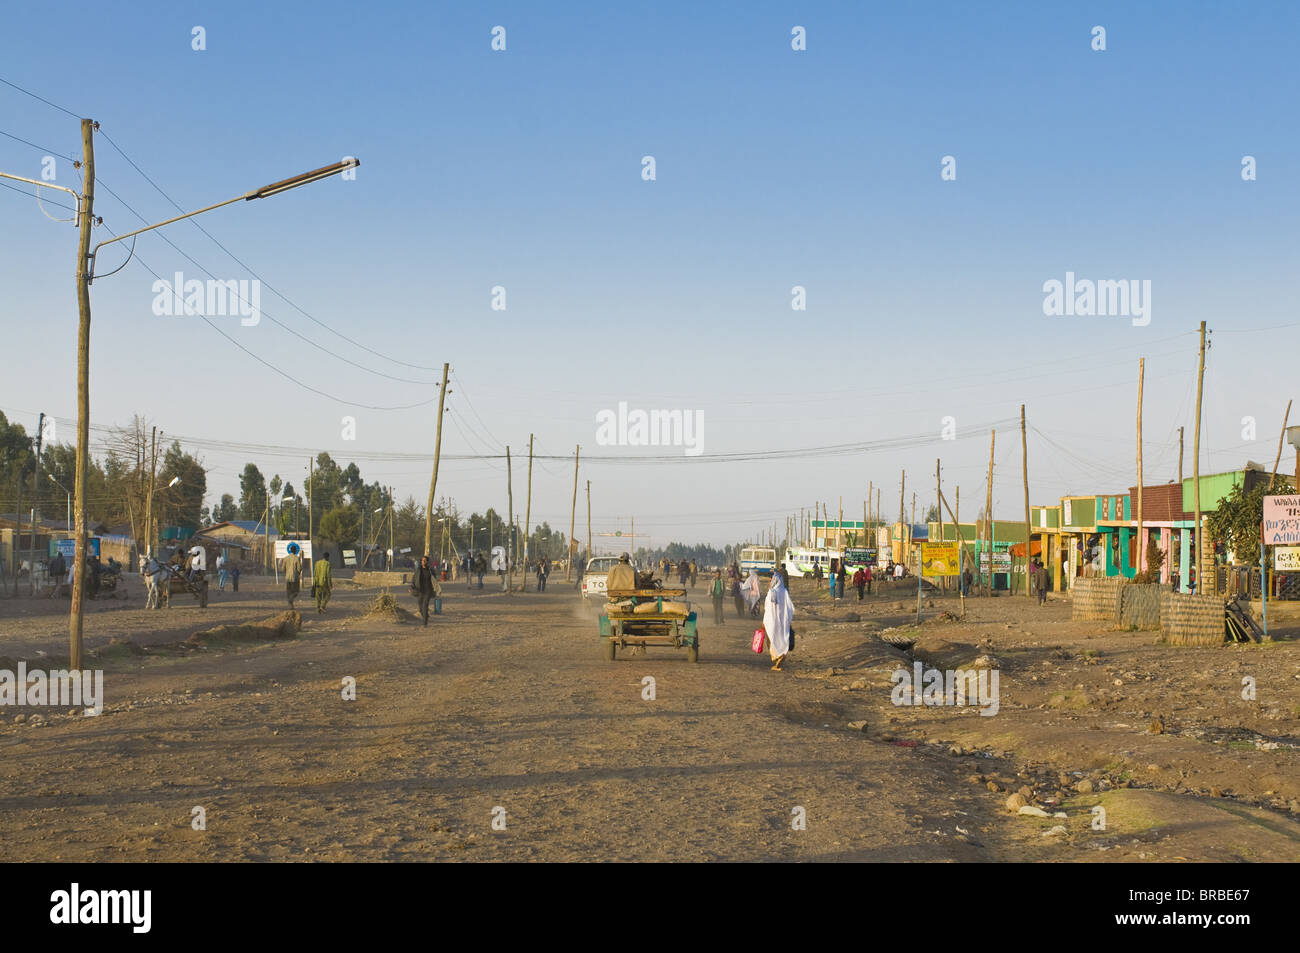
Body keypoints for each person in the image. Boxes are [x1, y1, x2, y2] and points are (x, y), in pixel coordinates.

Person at [762, 570, 795, 672]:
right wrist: (788, 619)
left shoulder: (771, 592)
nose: (769, 582)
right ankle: (781, 655)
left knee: (771, 639)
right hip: (783, 621)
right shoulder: (784, 592)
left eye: (770, 580)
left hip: (772, 620)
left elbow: (767, 608)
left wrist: (764, 621)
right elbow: (790, 608)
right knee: (782, 638)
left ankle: (778, 658)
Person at [415, 554, 439, 625]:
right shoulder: (418, 570)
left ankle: (425, 622)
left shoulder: (431, 571)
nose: (423, 562)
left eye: (425, 561)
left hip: (428, 590)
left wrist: (436, 589)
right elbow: (414, 579)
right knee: (420, 606)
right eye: (422, 560)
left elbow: (435, 580)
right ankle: (425, 616)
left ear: (427, 562)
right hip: (420, 590)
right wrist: (412, 587)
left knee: (425, 605)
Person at [283, 542, 304, 608]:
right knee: (296, 591)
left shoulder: (286, 558)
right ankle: (290, 600)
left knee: (289, 591)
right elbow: (299, 568)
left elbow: (283, 568)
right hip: (294, 577)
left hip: (287, 577)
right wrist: (298, 573)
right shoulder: (296, 558)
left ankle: (290, 604)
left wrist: (286, 573)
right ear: (295, 551)